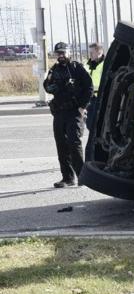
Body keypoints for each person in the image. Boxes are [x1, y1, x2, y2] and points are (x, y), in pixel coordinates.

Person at [43, 42, 93, 188]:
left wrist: (83, 107)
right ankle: (67, 178)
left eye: (63, 53)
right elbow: (46, 86)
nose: (61, 56)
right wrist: (52, 87)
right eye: (58, 54)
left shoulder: (77, 68)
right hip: (59, 112)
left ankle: (82, 177)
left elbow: (89, 87)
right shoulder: (54, 69)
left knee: (74, 143)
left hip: (74, 112)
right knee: (61, 145)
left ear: (69, 53)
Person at [85, 43, 104, 150]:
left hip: (100, 99)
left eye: (92, 52)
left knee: (97, 125)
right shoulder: (87, 64)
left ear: (99, 52)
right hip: (90, 99)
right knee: (90, 124)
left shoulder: (105, 65)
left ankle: (97, 145)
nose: (90, 54)